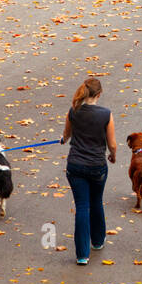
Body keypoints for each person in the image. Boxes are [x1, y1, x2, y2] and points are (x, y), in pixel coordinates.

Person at [61, 76, 116, 265]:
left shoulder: (73, 111)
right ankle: (98, 241)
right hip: (97, 166)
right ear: (99, 94)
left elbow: (66, 134)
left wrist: (63, 139)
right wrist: (113, 155)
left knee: (82, 206)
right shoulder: (106, 114)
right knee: (96, 201)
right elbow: (113, 144)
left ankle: (82, 254)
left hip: (75, 166)